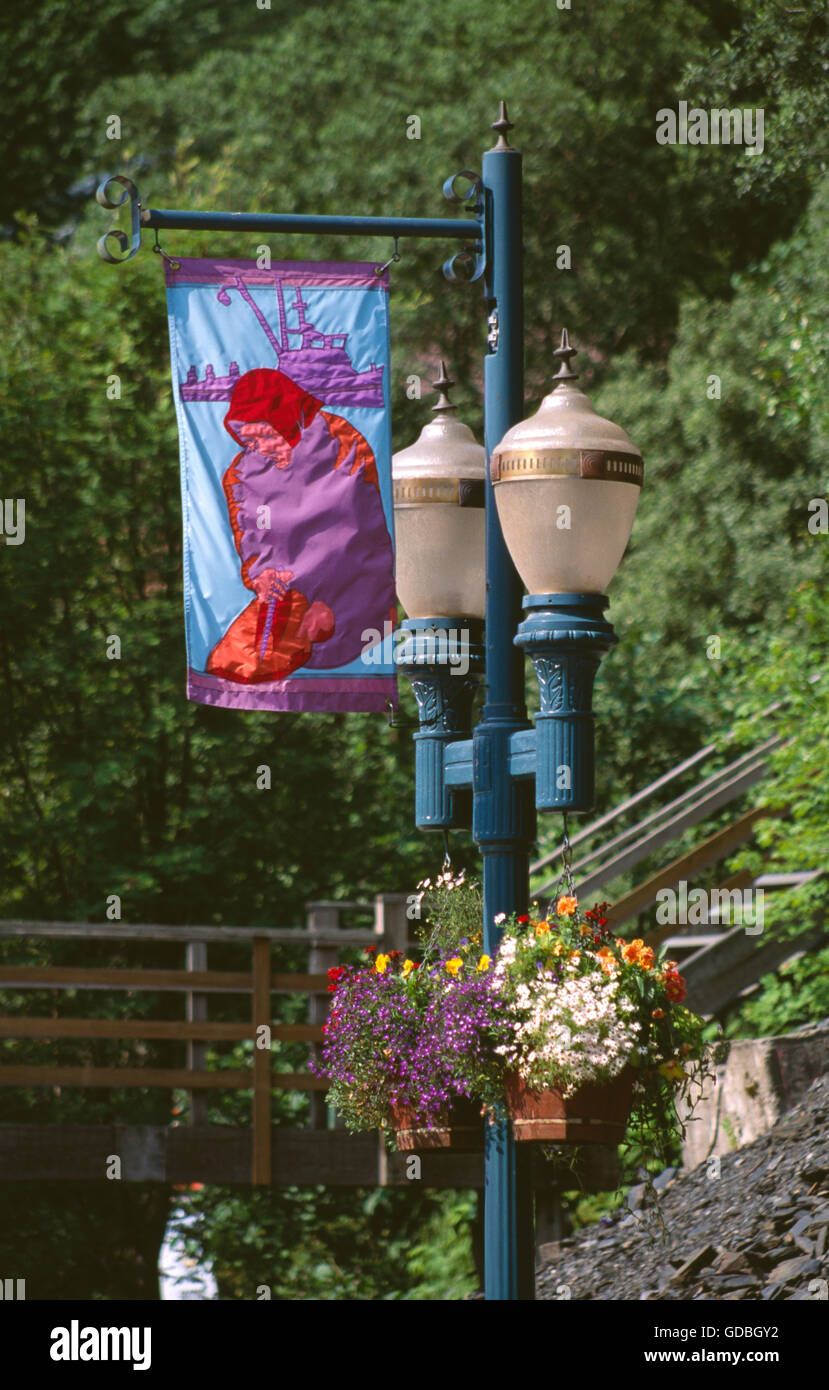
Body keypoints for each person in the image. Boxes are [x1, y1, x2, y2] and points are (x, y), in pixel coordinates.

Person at [206, 367, 396, 683]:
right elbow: (250, 539)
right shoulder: (241, 476)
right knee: (236, 659)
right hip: (284, 592)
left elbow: (362, 530)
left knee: (329, 628)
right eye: (248, 440)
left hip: (350, 585)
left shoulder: (340, 445)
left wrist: (325, 595)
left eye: (267, 435)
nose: (260, 448)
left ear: (290, 421)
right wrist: (260, 576)